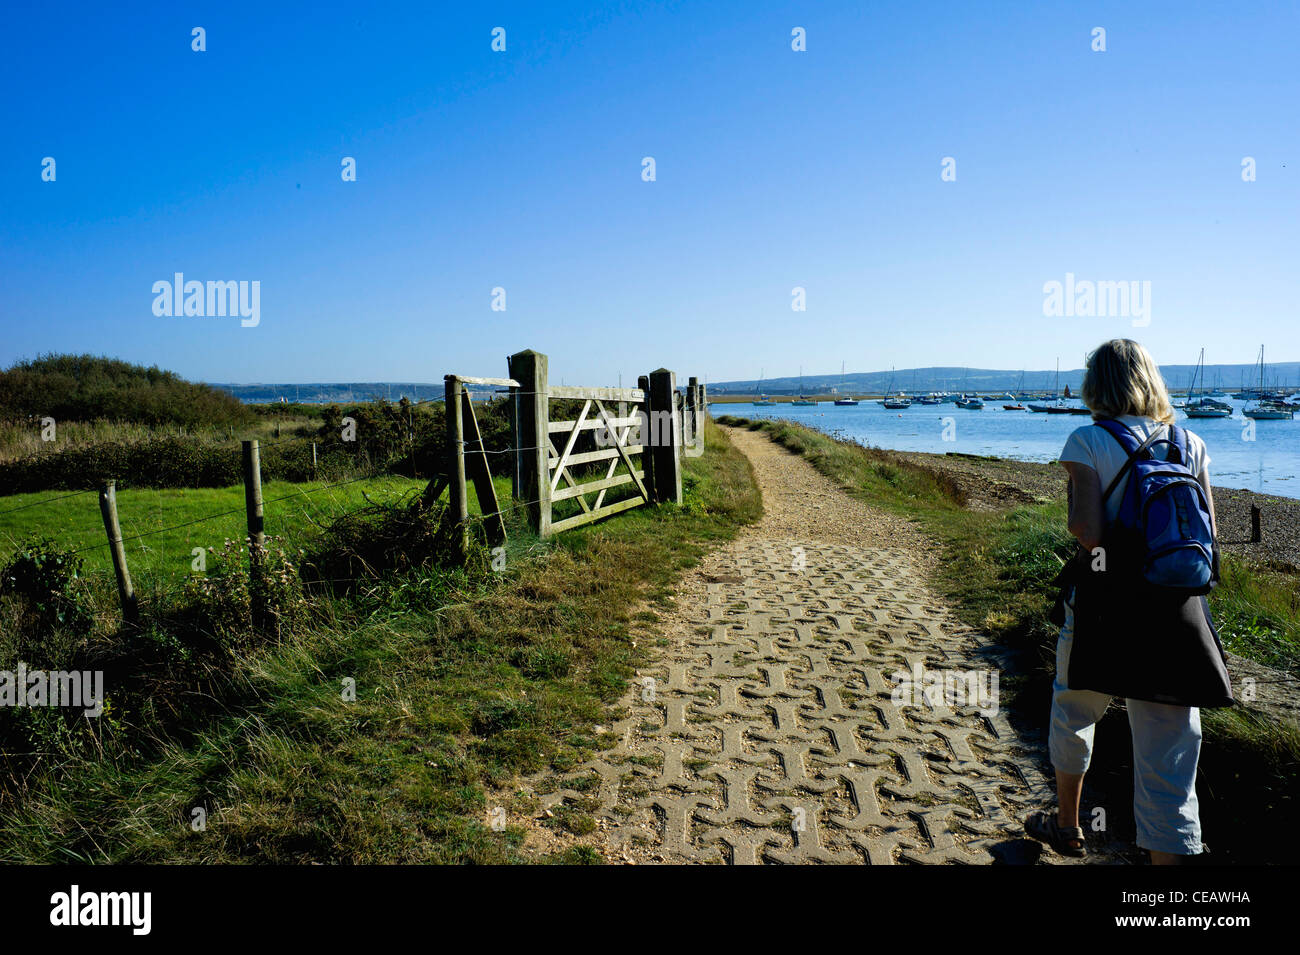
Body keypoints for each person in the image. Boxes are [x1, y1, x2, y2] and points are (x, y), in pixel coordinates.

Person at [1025, 339, 1214, 864]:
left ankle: (1067, 826)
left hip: (1106, 608)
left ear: (1096, 385)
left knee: (1074, 709)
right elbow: (1207, 539)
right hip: (1175, 616)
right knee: (1170, 746)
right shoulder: (1189, 443)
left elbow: (1086, 528)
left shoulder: (1087, 439)